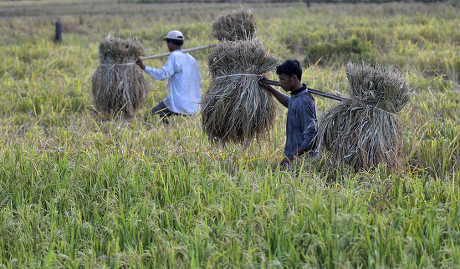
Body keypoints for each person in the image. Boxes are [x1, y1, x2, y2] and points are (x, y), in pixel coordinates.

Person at [258, 59, 318, 165]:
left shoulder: (303, 102)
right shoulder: (297, 96)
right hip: (296, 160)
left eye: (282, 79)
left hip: (303, 162)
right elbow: (288, 102)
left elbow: (311, 137)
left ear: (294, 78)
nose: (280, 83)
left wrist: (291, 158)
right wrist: (269, 88)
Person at [135, 30, 201, 123]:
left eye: (167, 42)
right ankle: (169, 130)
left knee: (154, 115)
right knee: (167, 117)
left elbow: (162, 74)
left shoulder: (174, 56)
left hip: (178, 101)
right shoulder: (191, 58)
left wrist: (143, 67)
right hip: (193, 104)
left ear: (171, 42)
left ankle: (166, 130)